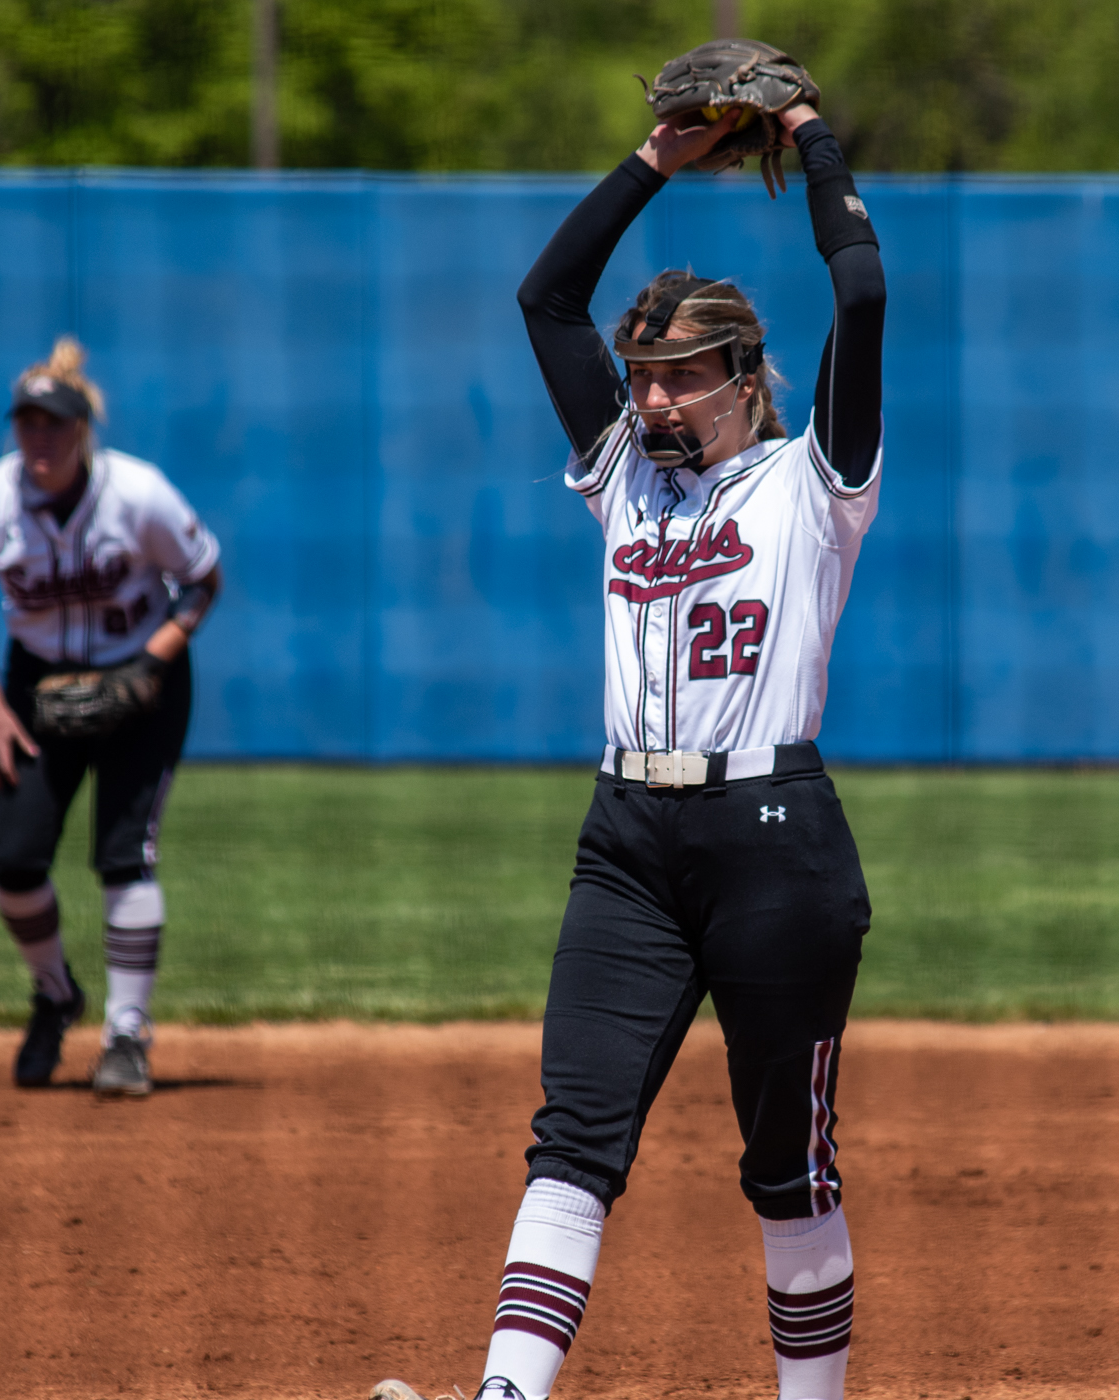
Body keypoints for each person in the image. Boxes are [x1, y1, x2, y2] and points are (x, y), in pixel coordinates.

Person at [374, 91, 884, 1400]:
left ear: (743, 377)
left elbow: (863, 291)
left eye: (678, 374)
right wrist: (658, 162)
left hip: (777, 851)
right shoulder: (625, 476)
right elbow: (547, 301)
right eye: (642, 372)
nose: (651, 394)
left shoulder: (815, 481)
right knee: (571, 1143)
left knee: (788, 1169)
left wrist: (814, 141)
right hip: (629, 851)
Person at [0, 337, 222, 1097]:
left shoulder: (139, 493)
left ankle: (126, 1037)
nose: (40, 438)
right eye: (27, 423)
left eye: (54, 423)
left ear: (82, 428)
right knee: (14, 863)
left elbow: (202, 581)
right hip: (36, 688)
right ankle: (57, 992)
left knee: (125, 856)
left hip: (144, 679)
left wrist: (153, 660)